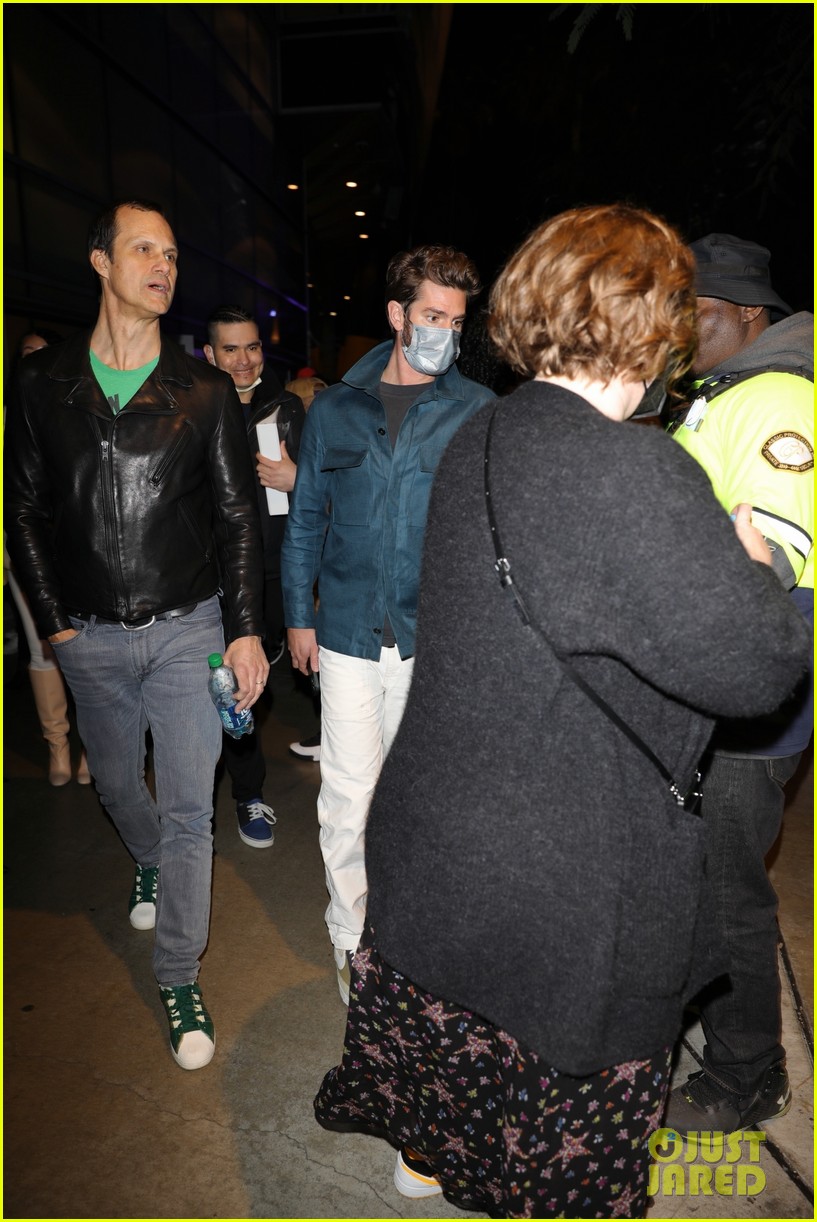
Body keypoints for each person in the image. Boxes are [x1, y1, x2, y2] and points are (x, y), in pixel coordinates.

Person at [311, 205, 811, 1218]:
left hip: (441, 829)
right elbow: (758, 668)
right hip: (565, 867)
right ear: (643, 324)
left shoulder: (479, 436)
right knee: (558, 1127)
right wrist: (760, 576)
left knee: (459, 1043)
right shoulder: (637, 468)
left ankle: (429, 1162)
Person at [4, 200, 268, 1071]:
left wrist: (243, 633)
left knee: (193, 809)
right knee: (118, 785)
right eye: (144, 249)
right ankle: (145, 861)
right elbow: (25, 512)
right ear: (99, 262)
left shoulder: (200, 389)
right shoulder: (43, 387)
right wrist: (57, 627)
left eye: (173, 252)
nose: (164, 265)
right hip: (92, 643)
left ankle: (178, 974)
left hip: (187, 630)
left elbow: (235, 517)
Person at [281, 245, 495, 1003]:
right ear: (397, 314)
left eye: (456, 321)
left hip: (431, 638)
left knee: (421, 798)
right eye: (431, 315)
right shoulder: (336, 408)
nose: (444, 331)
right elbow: (305, 519)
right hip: (342, 633)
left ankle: (409, 937)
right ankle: (350, 936)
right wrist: (295, 616)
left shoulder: (475, 411)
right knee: (347, 794)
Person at [662, 235, 813, 1136]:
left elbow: (774, 565)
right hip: (720, 697)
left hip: (749, 708)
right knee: (705, 881)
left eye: (698, 310)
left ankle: (748, 1071)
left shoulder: (776, 400)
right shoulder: (726, 396)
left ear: (747, 316)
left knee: (729, 894)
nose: (682, 328)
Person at [203, 305, 305, 848]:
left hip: (279, 569)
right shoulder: (193, 409)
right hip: (215, 575)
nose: (243, 360)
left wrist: (298, 477)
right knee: (234, 688)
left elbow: (326, 489)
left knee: (285, 677)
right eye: (230, 349)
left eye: (252, 347)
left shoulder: (285, 407)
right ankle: (249, 794)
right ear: (209, 354)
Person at [5, 327, 91, 786]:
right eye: (26, 355)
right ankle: (57, 744)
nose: (34, 363)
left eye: (44, 355)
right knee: (43, 646)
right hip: (22, 553)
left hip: (78, 551)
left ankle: (93, 748)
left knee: (88, 648)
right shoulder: (5, 417)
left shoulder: (74, 409)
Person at [283, 372, 328, 764]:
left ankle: (329, 735)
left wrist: (295, 480)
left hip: (334, 570)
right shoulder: (289, 442)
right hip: (312, 568)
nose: (317, 409)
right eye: (308, 404)